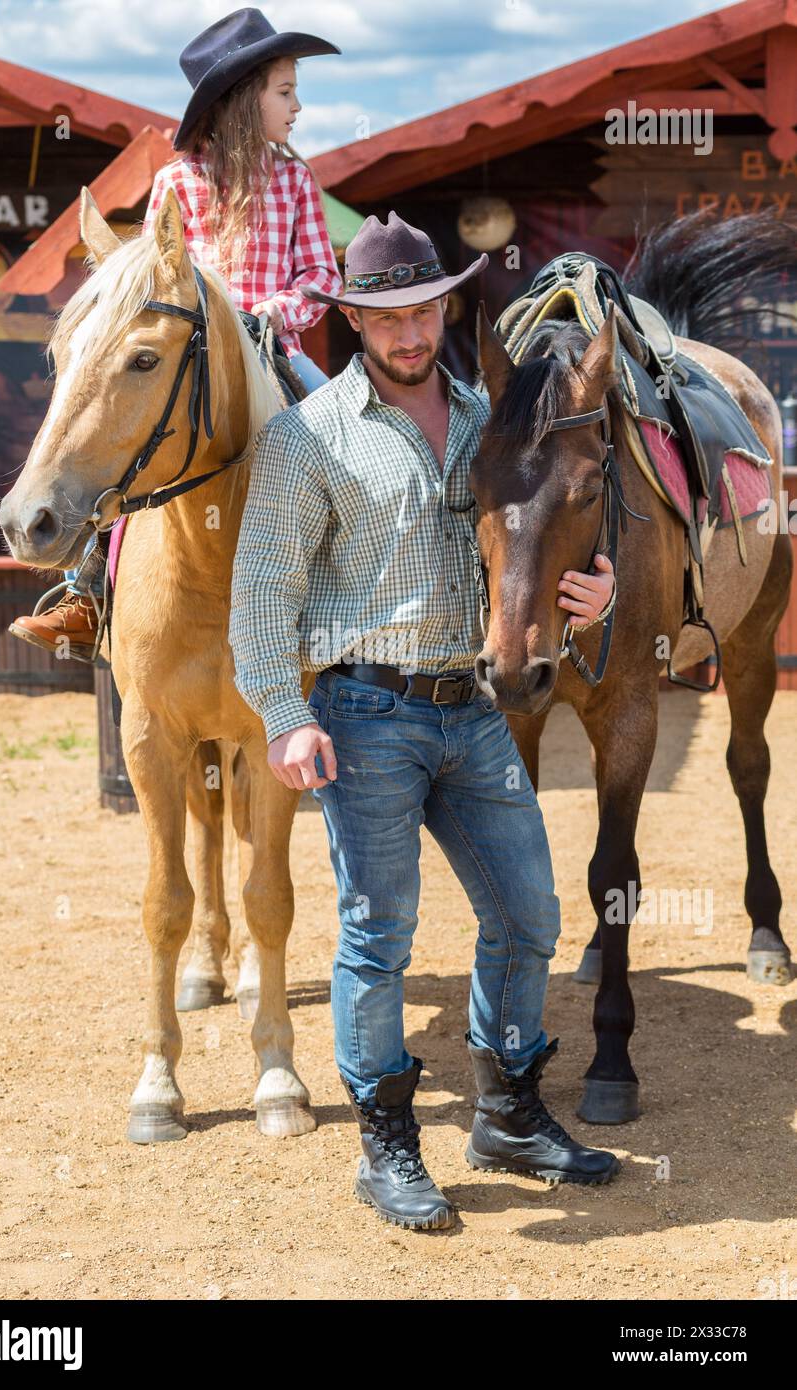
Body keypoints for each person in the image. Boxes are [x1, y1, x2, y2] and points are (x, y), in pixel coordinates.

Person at [228, 211, 621, 1232]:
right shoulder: (307, 436)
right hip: (361, 712)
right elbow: (264, 585)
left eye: (422, 309)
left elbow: (537, 530)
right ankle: (387, 1148)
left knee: (527, 914)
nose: (407, 332)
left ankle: (506, 1113)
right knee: (378, 933)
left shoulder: (497, 413)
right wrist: (282, 713)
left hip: (473, 707)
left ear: (445, 306)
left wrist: (593, 587)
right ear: (352, 319)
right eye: (383, 315)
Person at [9, 7, 342, 660]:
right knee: (138, 441)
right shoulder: (176, 181)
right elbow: (157, 279)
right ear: (246, 98)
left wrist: (272, 313)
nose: (297, 106)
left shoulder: (296, 179)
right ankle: (85, 595)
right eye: (285, 91)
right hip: (191, 360)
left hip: (276, 352)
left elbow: (321, 276)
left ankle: (359, 593)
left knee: (347, 438)